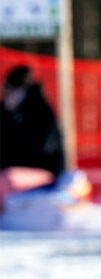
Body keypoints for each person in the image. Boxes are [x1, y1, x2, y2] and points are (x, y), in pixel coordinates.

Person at [1, 65, 65, 208]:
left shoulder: (40, 111)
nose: (7, 94)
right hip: (11, 173)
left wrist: (17, 120)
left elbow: (43, 148)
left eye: (10, 90)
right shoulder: (6, 111)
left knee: (6, 180)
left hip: (44, 174)